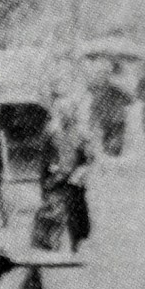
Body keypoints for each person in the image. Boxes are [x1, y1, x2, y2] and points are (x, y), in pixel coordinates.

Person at [31, 97, 94, 257]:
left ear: (73, 113)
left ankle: (77, 245)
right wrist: (47, 178)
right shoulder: (52, 133)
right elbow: (44, 160)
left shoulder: (81, 134)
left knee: (77, 215)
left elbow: (88, 159)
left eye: (68, 111)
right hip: (56, 180)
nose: (65, 115)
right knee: (50, 211)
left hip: (74, 182)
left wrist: (78, 175)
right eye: (61, 112)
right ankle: (45, 248)